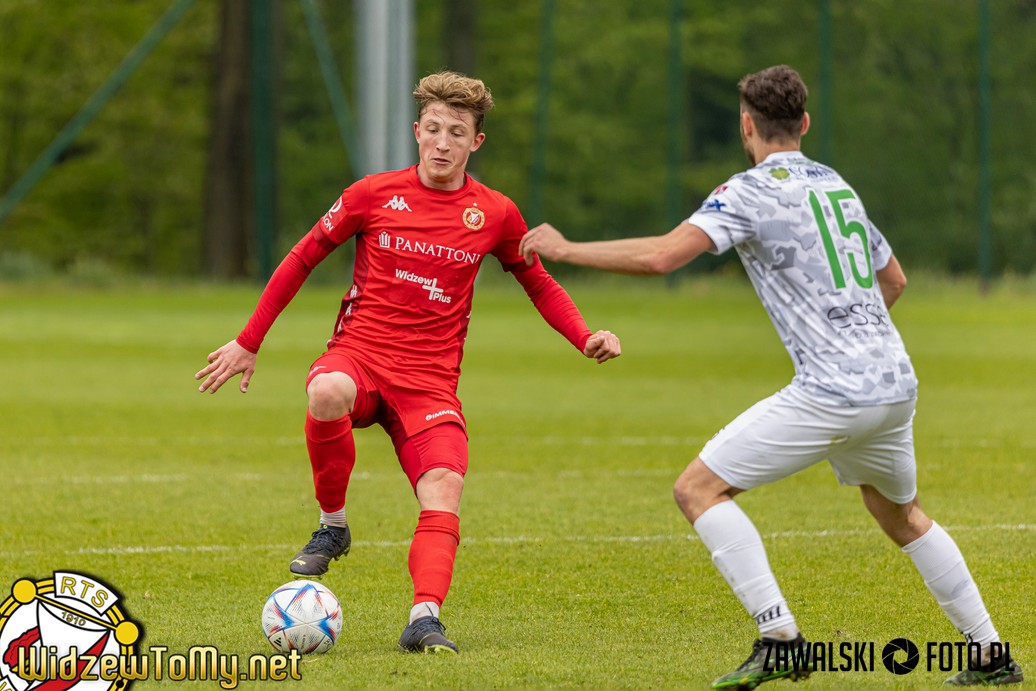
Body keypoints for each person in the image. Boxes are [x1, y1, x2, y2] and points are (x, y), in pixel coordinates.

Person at [519, 65, 1021, 688]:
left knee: (697, 490)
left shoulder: (747, 191)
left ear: (746, 125)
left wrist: (565, 250)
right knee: (902, 515)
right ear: (805, 123)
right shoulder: (840, 187)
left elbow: (660, 257)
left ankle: (780, 637)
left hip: (834, 390)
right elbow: (895, 280)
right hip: (894, 381)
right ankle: (990, 654)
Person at [196, 71, 621, 655]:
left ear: (476, 143)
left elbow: (539, 283)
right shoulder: (372, 194)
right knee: (326, 393)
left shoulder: (495, 213)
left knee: (444, 487)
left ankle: (424, 619)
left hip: (429, 385)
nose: (443, 142)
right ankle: (333, 525)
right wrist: (249, 340)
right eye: (434, 129)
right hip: (361, 358)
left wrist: (585, 335)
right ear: (416, 132)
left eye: (458, 132)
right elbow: (302, 257)